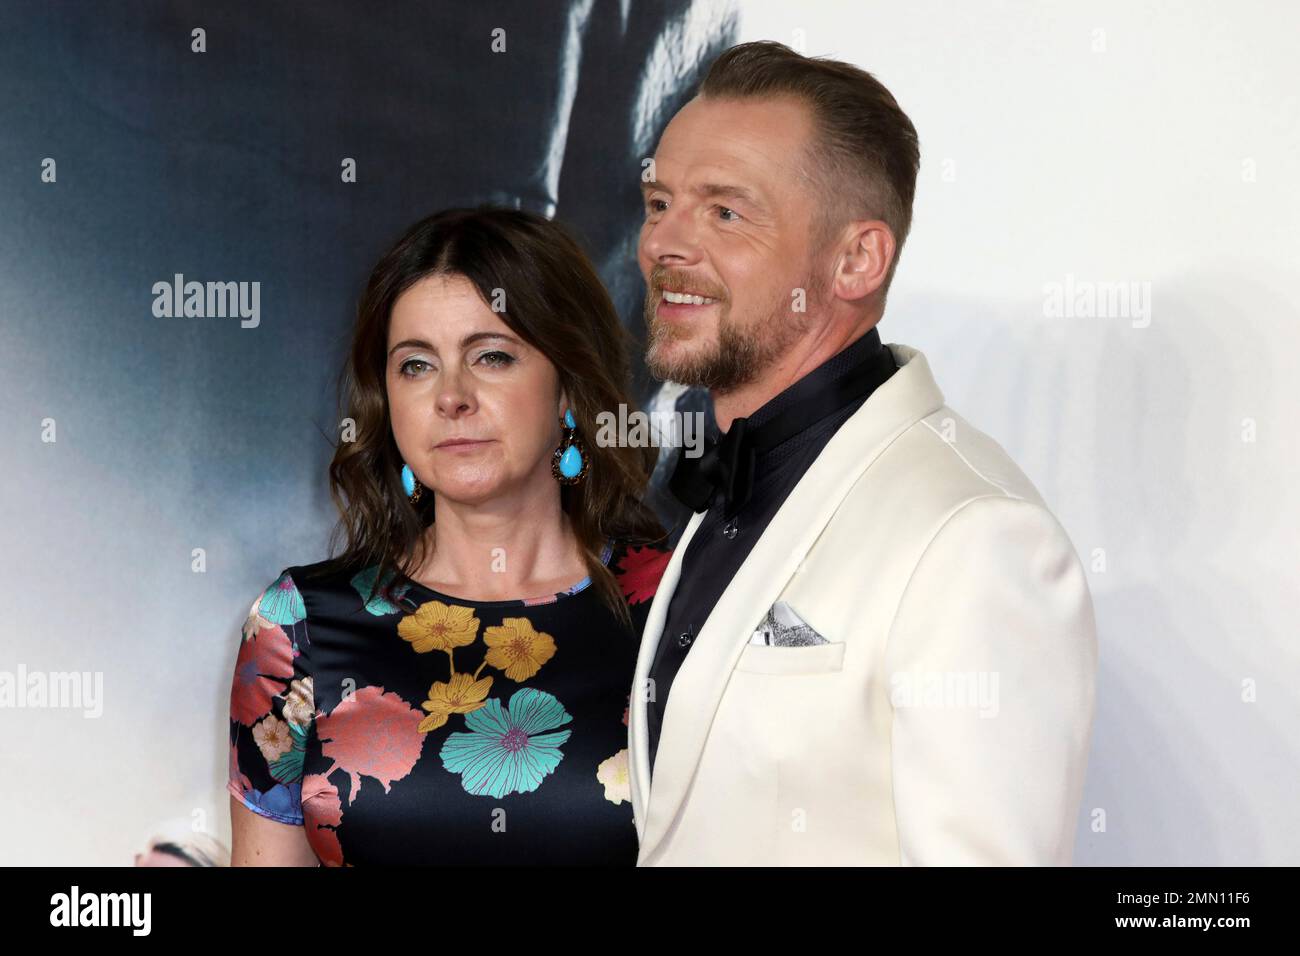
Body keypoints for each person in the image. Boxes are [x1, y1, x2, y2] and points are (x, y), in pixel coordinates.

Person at [628, 41, 1098, 865]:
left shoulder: (975, 537)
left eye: (724, 211)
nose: (665, 242)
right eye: (659, 202)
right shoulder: (716, 487)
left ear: (857, 259)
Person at [227, 207, 672, 865]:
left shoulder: (679, 602)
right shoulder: (296, 628)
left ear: (567, 390)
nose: (452, 397)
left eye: (491, 356)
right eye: (416, 366)